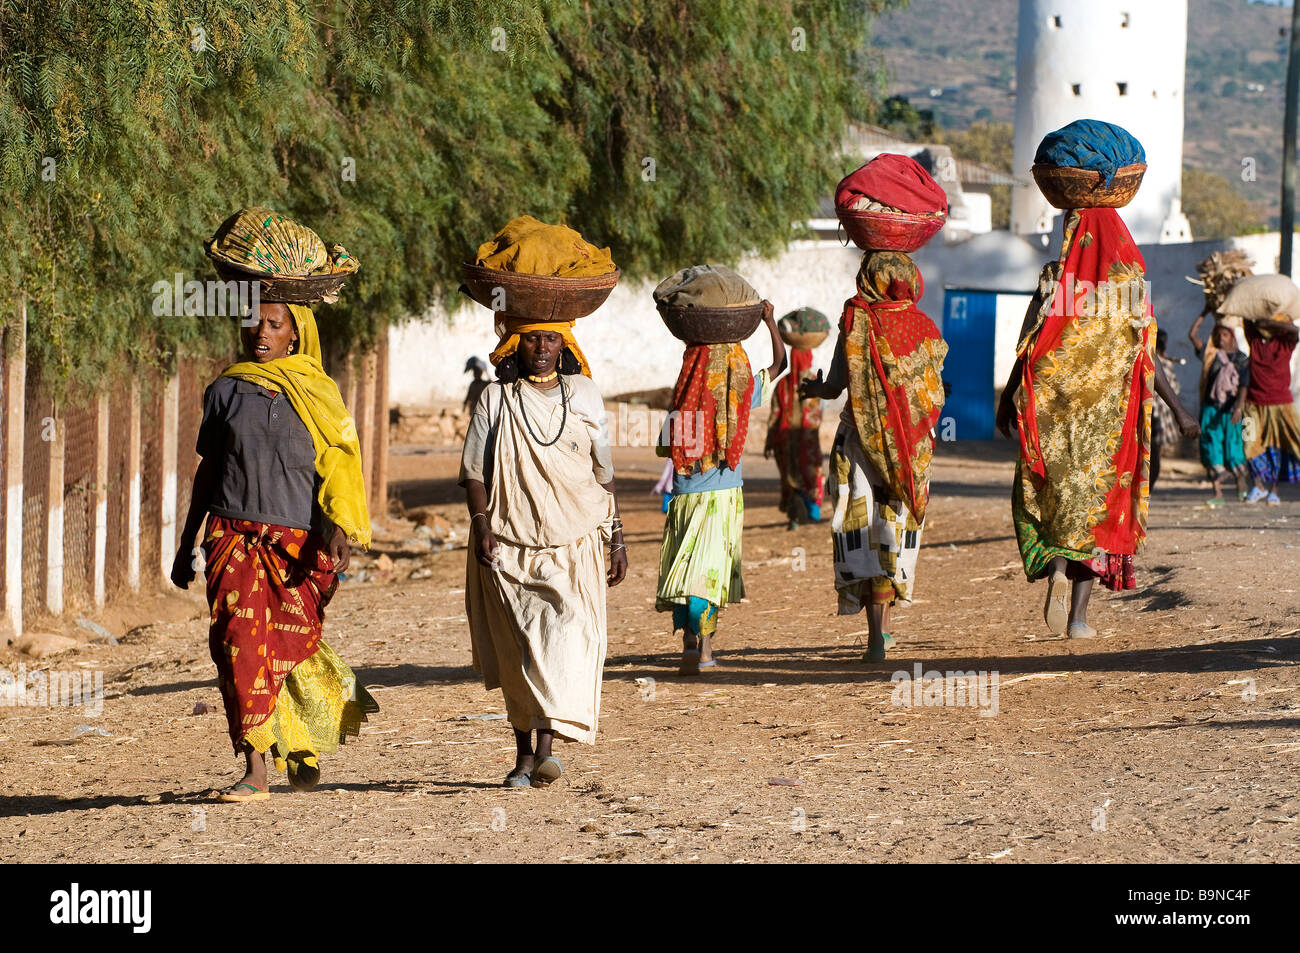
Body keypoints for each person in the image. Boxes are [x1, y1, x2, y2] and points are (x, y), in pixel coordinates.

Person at [171, 301, 377, 802]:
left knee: (290, 645)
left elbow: (337, 468)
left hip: (298, 543)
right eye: (254, 321)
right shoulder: (225, 390)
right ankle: (255, 767)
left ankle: (299, 737)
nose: (260, 331)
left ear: (295, 334)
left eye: (273, 324)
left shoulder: (318, 393)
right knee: (240, 645)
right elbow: (209, 471)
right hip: (232, 537)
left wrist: (338, 529)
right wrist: (186, 541)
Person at [997, 207, 1199, 639]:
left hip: (1052, 415)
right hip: (1106, 425)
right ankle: (1078, 619)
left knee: (1055, 500)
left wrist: (1007, 398)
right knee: (1096, 512)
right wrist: (1179, 408)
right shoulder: (1127, 288)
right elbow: (1144, 354)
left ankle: (1056, 567)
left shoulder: (1054, 279)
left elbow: (1028, 342)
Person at [461, 320, 627, 788]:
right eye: (532, 337)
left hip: (574, 543)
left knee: (565, 637)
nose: (541, 347)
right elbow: (474, 472)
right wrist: (481, 526)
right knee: (519, 652)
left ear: (563, 344)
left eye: (551, 338)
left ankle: (547, 749)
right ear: (516, 344)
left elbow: (603, 473)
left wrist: (617, 537)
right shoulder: (495, 399)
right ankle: (523, 756)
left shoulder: (585, 394)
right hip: (508, 543)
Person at [801, 252, 947, 662]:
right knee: (892, 528)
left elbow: (835, 385)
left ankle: (876, 637)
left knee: (863, 529)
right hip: (910, 447)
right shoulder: (924, 326)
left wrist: (814, 390)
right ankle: (883, 632)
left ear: (869, 277)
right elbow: (933, 390)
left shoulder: (857, 321)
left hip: (860, 443)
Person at [654, 283, 786, 676]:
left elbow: (666, 445)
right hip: (724, 493)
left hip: (684, 494)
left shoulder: (685, 394)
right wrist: (770, 321)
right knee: (708, 572)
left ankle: (689, 644)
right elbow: (779, 366)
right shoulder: (740, 389)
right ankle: (706, 650)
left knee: (685, 566)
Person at [765, 308, 828, 530]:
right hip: (807, 440)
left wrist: (770, 440)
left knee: (790, 476)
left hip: (785, 441)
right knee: (811, 472)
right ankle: (812, 512)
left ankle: (795, 516)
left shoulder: (783, 384)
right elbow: (817, 414)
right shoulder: (815, 382)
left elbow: (774, 414)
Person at [1189, 321, 1251, 503]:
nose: (1221, 338)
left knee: (1234, 449)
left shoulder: (1242, 359)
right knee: (1210, 448)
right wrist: (1204, 314)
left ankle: (1242, 489)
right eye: (1218, 335)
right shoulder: (1211, 354)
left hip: (1231, 410)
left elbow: (1244, 386)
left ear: (1232, 337)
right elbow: (1192, 336)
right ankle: (1217, 494)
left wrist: (1238, 407)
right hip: (1211, 408)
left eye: (1225, 335)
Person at [1241, 315, 1300, 504]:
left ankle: (1274, 491)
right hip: (1253, 405)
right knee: (1249, 445)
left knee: (1281, 448)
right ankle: (1258, 486)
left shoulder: (1285, 343)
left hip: (1281, 405)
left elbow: (1296, 331)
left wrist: (1272, 322)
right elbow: (1246, 316)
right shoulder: (1255, 341)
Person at [1149, 329, 1183, 491]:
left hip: (1155, 414)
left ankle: (1147, 488)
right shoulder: (1164, 363)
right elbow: (1175, 388)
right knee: (1154, 454)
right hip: (1156, 413)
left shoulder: (1163, 363)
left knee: (1152, 453)